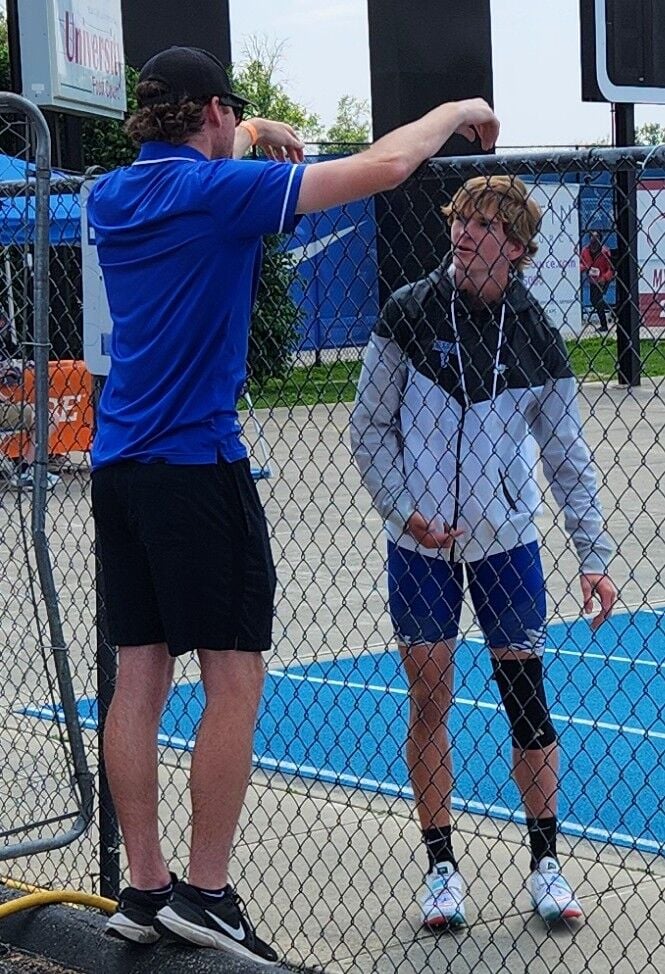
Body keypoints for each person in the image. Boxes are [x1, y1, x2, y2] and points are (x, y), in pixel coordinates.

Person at [87, 44, 499, 964]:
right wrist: (457, 105)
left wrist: (253, 130)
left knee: (139, 675)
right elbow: (390, 166)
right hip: (197, 467)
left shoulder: (112, 196)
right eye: (233, 118)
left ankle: (145, 888)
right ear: (214, 115)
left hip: (119, 468)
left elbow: (229, 148)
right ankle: (208, 892)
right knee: (233, 679)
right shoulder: (219, 195)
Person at [350, 175, 618, 930]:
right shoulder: (406, 313)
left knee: (526, 702)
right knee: (429, 696)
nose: (463, 232)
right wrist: (405, 512)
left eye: (482, 224)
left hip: (507, 544)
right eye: (459, 218)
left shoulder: (537, 331)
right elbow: (367, 428)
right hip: (419, 545)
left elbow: (566, 454)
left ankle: (545, 862)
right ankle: (441, 869)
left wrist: (591, 553)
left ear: (519, 249)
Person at [580, 230, 614, 332]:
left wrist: (604, 278)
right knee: (594, 300)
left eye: (596, 237)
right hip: (592, 280)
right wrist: (585, 267)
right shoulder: (585, 251)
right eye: (592, 237)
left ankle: (604, 325)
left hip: (603, 279)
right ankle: (613, 311)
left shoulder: (605, 252)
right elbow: (580, 263)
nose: (593, 239)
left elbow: (610, 269)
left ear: (600, 239)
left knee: (597, 300)